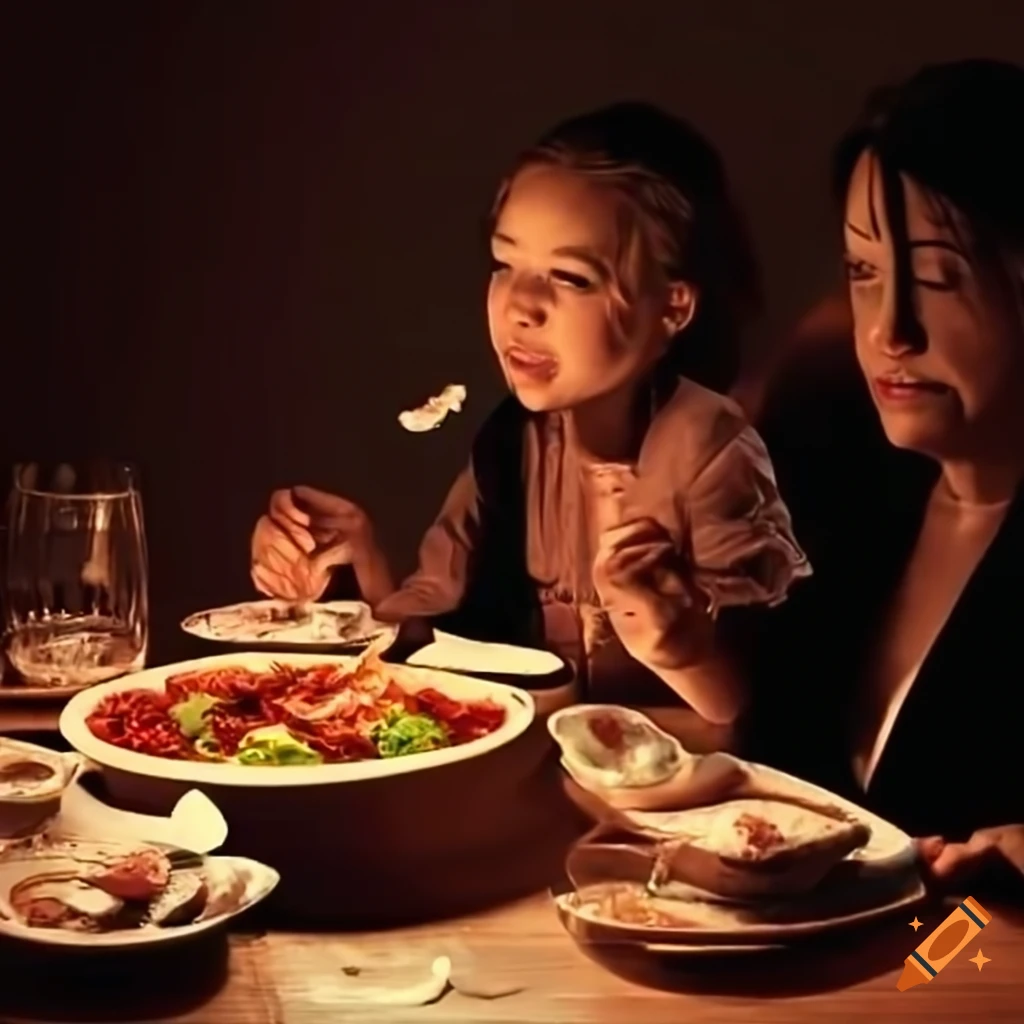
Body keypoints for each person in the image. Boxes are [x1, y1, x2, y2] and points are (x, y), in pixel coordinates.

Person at [250, 102, 809, 727]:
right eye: (504, 264)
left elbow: (765, 711)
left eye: (570, 278)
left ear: (672, 307)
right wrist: (352, 565)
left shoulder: (711, 449)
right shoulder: (510, 443)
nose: (521, 305)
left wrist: (679, 650)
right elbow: (429, 648)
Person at [746, 59, 1024, 894]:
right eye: (865, 273)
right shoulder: (844, 480)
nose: (889, 330)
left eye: (938, 277)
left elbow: (949, 942)